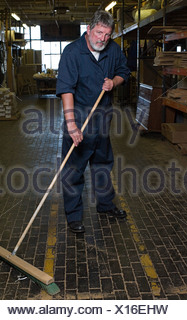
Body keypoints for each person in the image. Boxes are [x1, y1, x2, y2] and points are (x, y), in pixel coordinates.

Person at [56, 10, 130, 233]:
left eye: (107, 35)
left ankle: (105, 205)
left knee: (102, 166)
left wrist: (113, 83)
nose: (102, 39)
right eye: (99, 33)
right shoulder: (72, 53)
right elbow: (66, 90)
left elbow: (124, 72)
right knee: (73, 171)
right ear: (88, 30)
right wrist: (71, 126)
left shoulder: (113, 49)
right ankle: (74, 216)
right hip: (78, 119)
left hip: (102, 119)